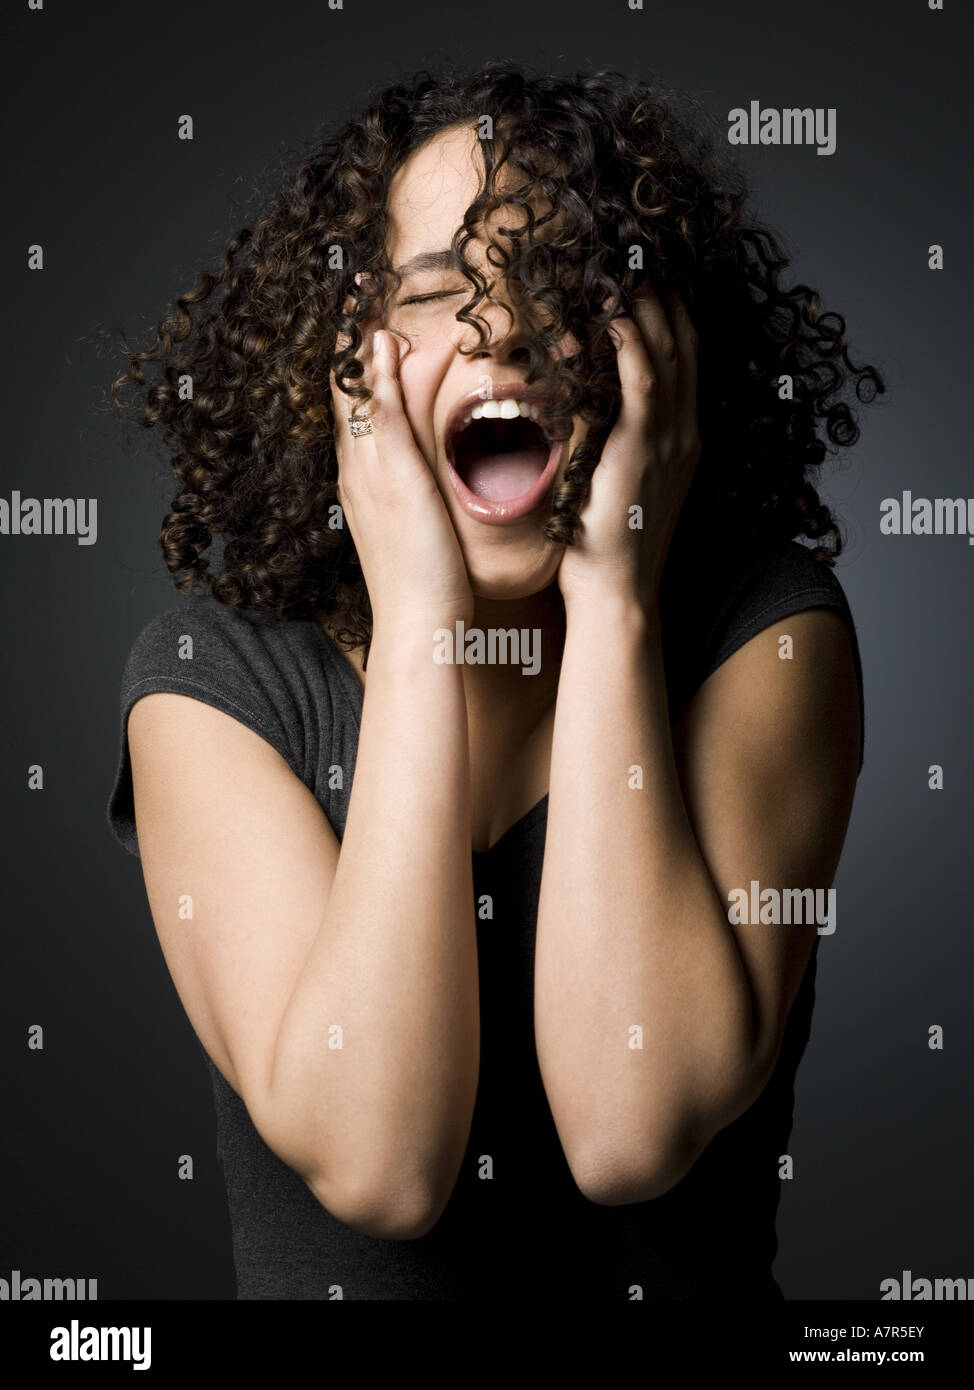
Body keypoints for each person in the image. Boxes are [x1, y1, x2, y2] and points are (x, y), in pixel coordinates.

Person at [106, 62, 881, 1300]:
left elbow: (630, 1130)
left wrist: (615, 597)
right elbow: (383, 1165)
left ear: (659, 354)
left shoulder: (765, 636)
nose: (499, 329)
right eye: (433, 292)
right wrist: (422, 614)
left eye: (561, 287)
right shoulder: (212, 681)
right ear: (346, 367)